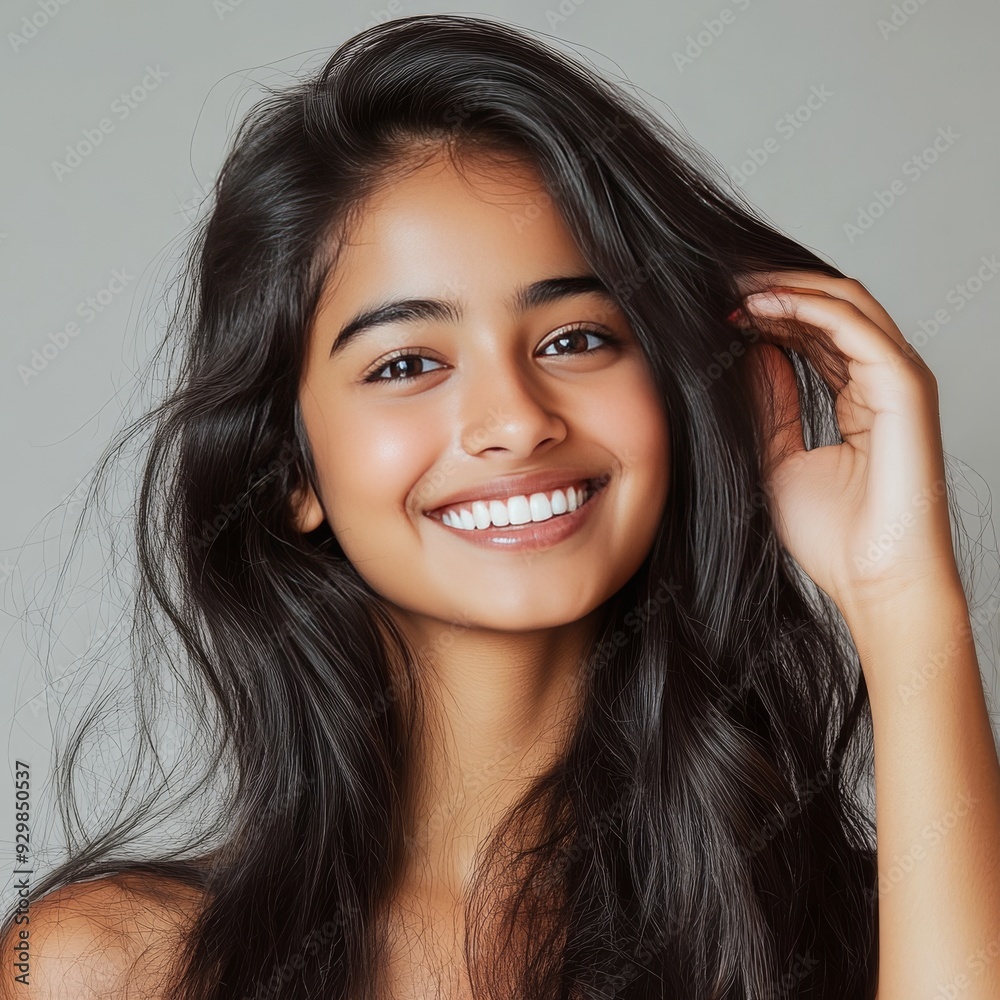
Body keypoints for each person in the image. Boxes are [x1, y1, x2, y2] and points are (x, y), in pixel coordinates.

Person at [3, 12, 999, 1000]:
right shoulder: (96, 970)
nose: (517, 421)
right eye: (407, 363)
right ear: (288, 471)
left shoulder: (882, 934)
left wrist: (899, 597)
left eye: (576, 339)